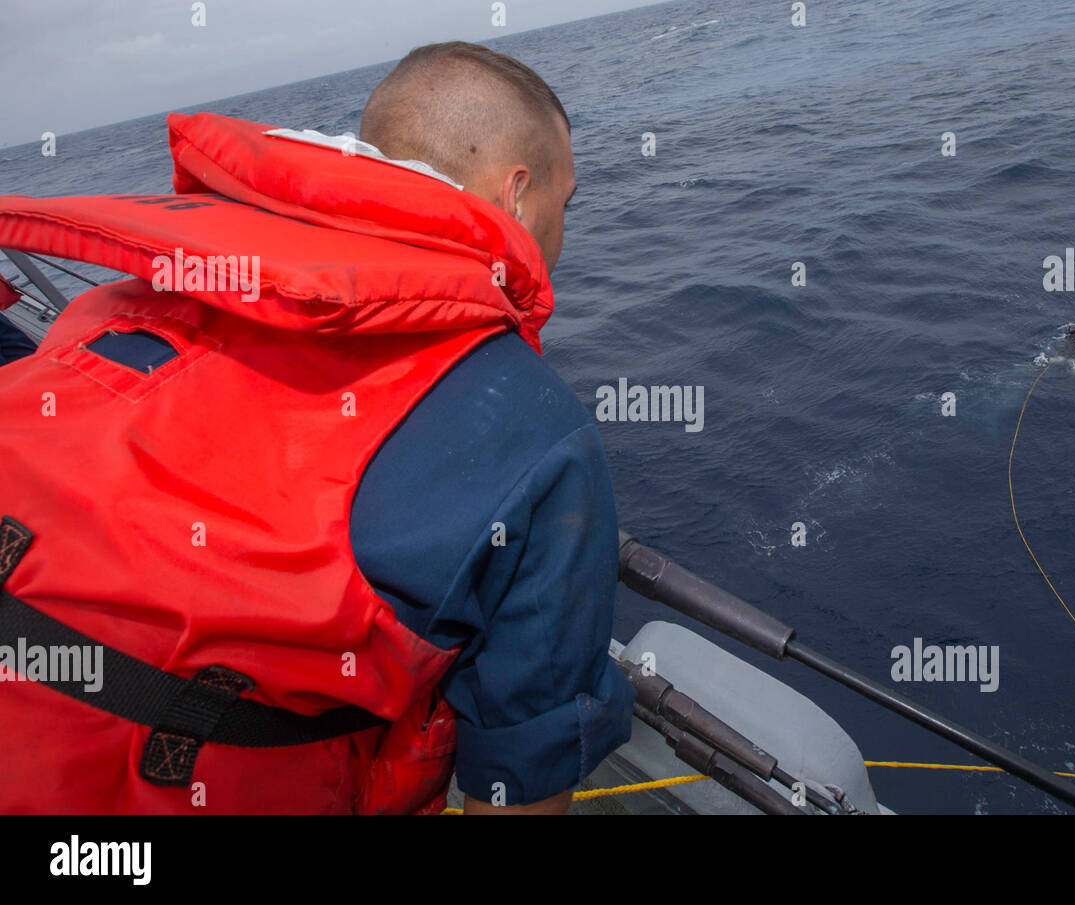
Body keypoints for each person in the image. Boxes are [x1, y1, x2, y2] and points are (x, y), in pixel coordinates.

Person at [0, 42, 633, 814]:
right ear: (516, 195)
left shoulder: (127, 294)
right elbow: (519, 785)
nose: (561, 237)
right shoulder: (539, 432)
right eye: (565, 207)